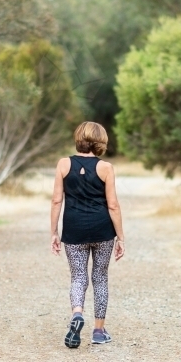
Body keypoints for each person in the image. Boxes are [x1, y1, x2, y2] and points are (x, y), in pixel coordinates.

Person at [50, 122, 125, 348]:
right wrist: (121, 237)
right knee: (100, 277)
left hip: (73, 230)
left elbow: (56, 200)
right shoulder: (106, 168)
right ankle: (98, 332)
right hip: (102, 230)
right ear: (99, 142)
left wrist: (54, 232)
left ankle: (77, 314)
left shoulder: (63, 164)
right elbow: (113, 205)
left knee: (78, 277)